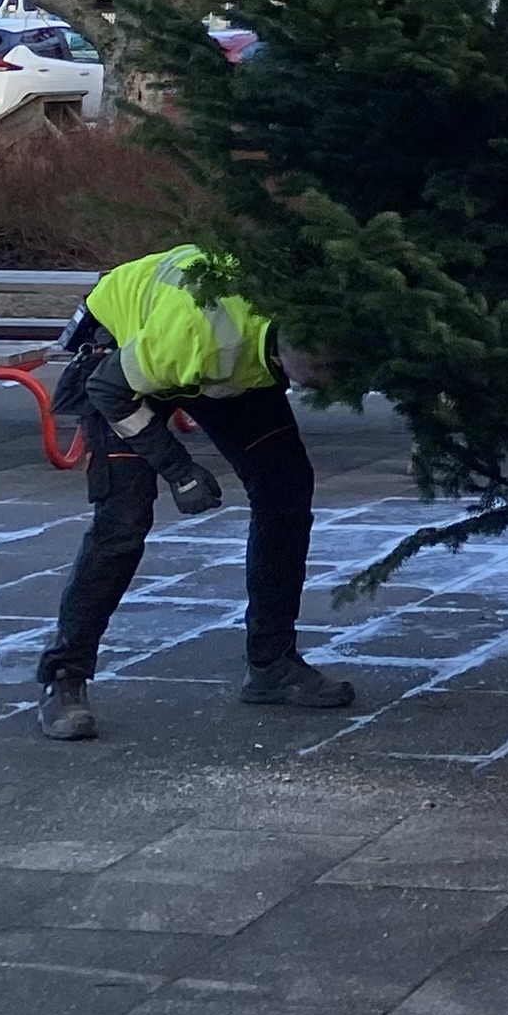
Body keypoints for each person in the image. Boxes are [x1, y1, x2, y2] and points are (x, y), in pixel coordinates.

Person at [35, 244, 356, 741]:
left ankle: (272, 664)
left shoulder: (300, 307)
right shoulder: (196, 337)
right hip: (120, 357)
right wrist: (179, 469)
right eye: (316, 384)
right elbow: (108, 390)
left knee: (285, 486)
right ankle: (64, 676)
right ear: (285, 359)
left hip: (225, 354)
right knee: (123, 519)